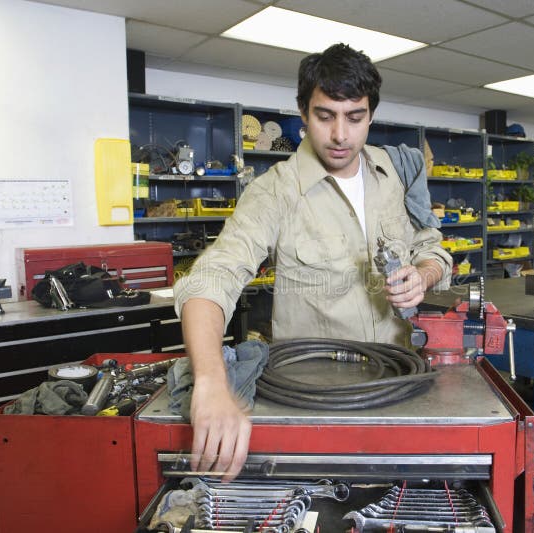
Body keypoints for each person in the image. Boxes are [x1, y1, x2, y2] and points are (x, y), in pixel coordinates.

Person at [173, 43, 452, 480]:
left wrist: (424, 273)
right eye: (325, 116)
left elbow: (431, 247)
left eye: (355, 118)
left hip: (397, 382)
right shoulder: (275, 191)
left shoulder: (392, 173)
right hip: (314, 400)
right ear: (303, 113)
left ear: (371, 116)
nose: (341, 135)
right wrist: (210, 382)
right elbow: (213, 278)